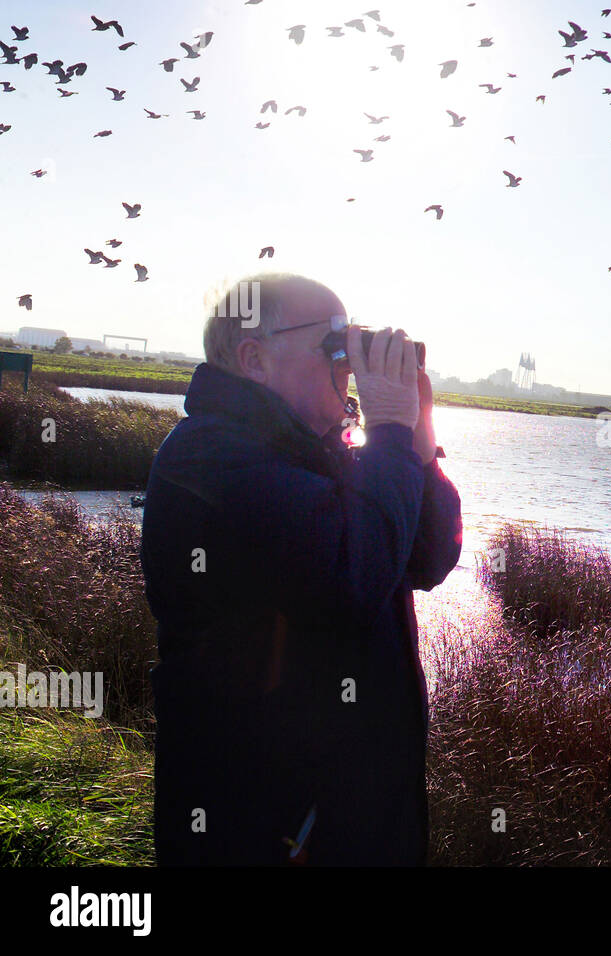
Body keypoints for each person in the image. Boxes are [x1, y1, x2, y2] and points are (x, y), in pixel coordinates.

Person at [140, 273, 462, 865]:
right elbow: (352, 577)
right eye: (334, 342)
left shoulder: (322, 453)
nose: (350, 359)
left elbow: (427, 558)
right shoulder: (208, 458)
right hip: (258, 827)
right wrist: (387, 434)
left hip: (352, 823)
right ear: (255, 359)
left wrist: (415, 430)